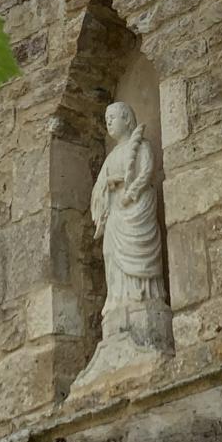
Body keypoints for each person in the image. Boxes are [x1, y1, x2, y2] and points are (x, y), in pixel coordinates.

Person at [90, 101, 166, 321]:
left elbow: (146, 172)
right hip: (116, 213)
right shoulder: (110, 157)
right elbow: (98, 188)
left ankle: (144, 295)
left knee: (139, 255)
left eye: (113, 118)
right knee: (110, 252)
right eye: (106, 120)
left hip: (136, 208)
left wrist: (131, 194)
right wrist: (108, 183)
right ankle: (118, 298)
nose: (109, 123)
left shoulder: (141, 146)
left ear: (127, 119)